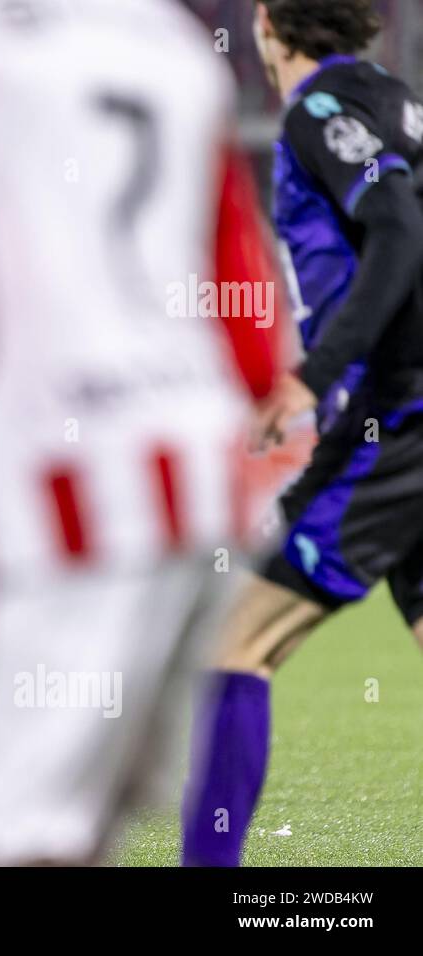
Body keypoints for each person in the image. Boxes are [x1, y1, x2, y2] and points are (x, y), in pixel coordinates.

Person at [0, 0, 282, 863]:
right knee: (77, 831)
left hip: (73, 487)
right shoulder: (174, 37)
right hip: (207, 480)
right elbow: (246, 306)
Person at [181, 0, 423, 867]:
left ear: (269, 26)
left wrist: (308, 378)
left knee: (233, 645)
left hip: (393, 425)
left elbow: (399, 232)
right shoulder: (393, 98)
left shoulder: (320, 109)